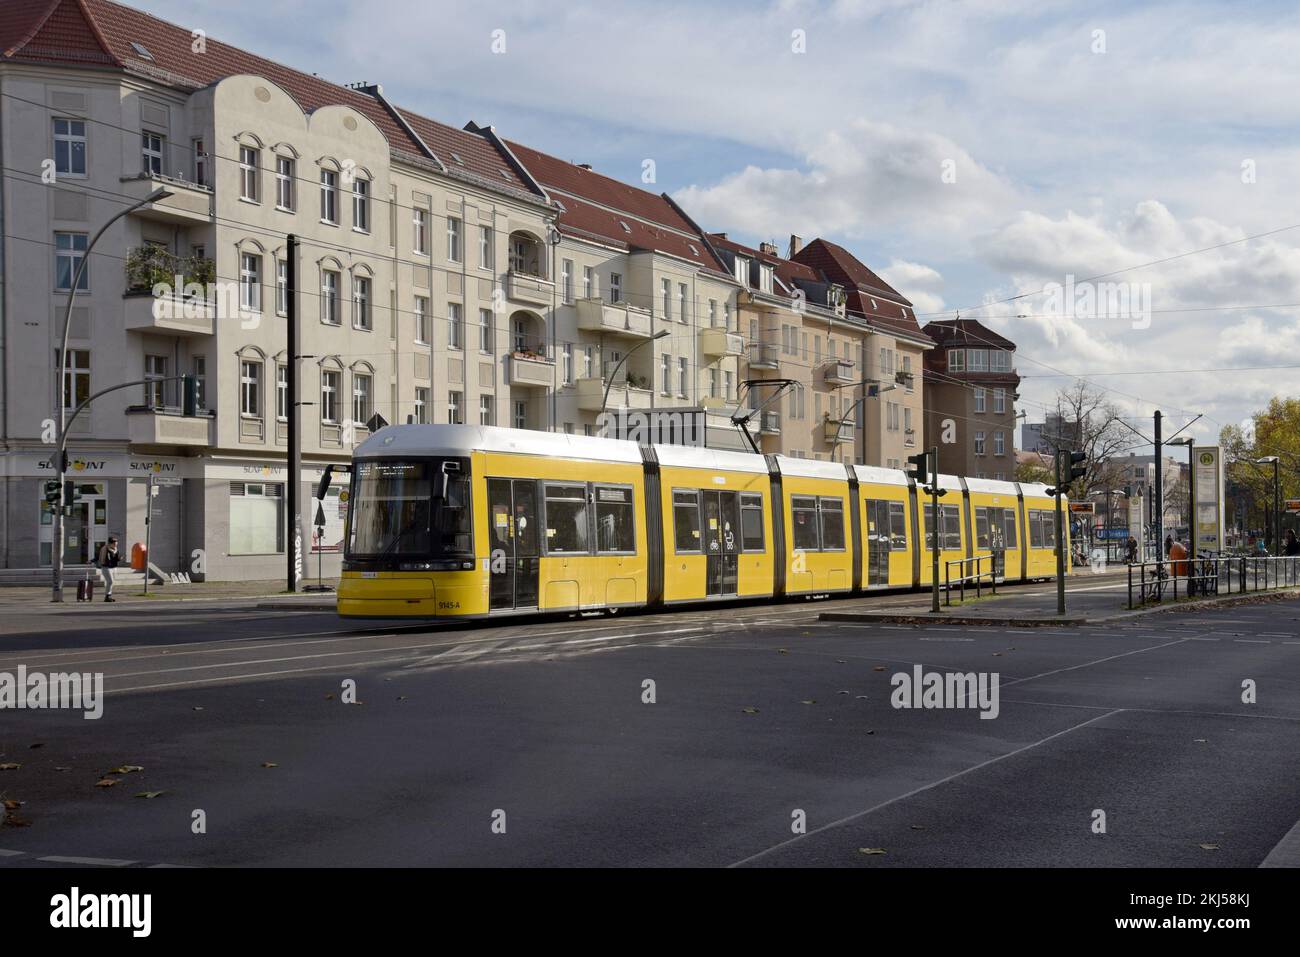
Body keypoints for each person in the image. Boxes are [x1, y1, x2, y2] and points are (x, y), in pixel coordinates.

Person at [96, 536, 121, 602]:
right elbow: (100, 556)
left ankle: (108, 596)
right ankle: (107, 596)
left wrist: (119, 558)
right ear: (110, 543)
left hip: (113, 567)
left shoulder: (115, 549)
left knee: (111, 582)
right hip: (106, 567)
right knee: (110, 581)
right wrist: (93, 561)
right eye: (113, 543)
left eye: (116, 543)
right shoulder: (105, 548)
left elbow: (116, 558)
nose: (115, 544)